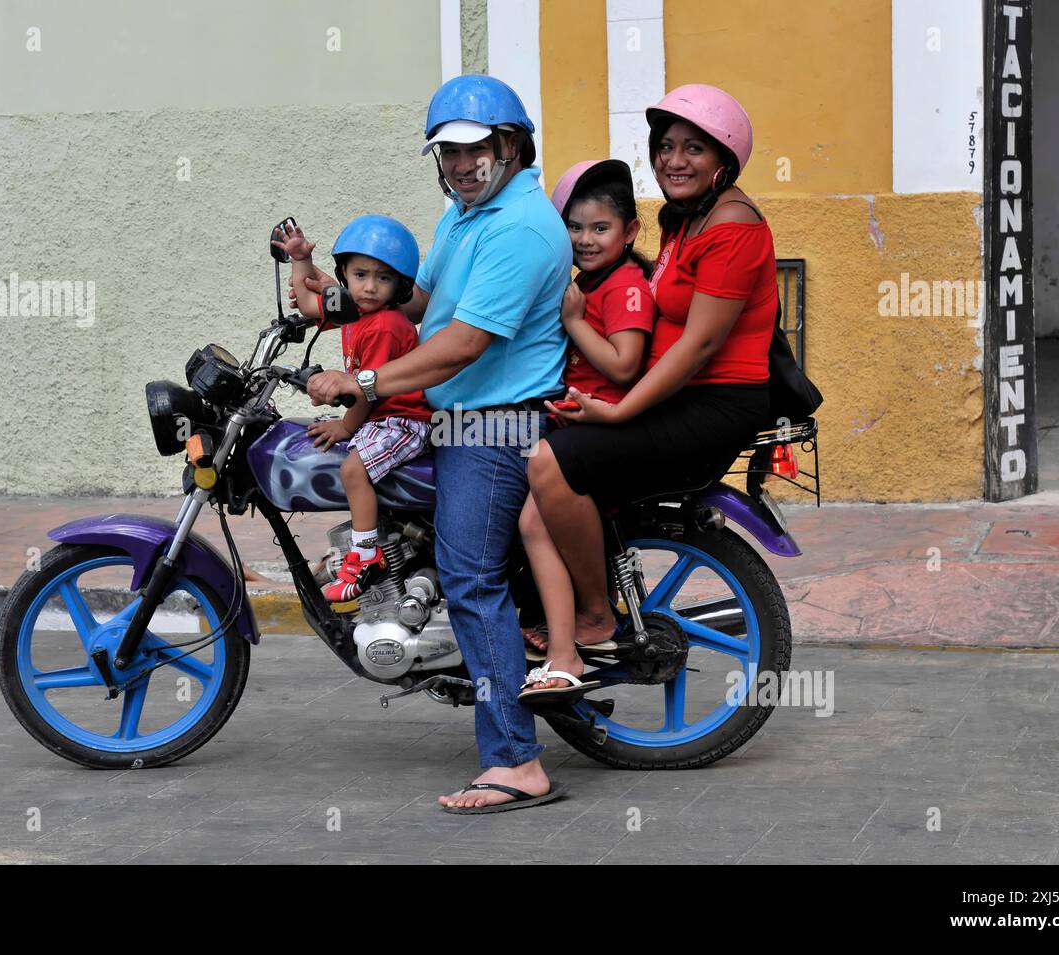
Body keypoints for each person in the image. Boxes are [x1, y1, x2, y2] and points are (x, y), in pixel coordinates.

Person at [305, 75, 573, 813]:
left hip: (493, 423)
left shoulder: (516, 228)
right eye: (447, 152)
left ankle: (518, 761)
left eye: (473, 149)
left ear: (510, 146)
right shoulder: (466, 214)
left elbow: (462, 343)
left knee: (471, 578)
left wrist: (363, 379)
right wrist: (351, 295)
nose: (459, 164)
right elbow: (433, 304)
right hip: (459, 417)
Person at [527, 84, 778, 673]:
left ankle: (595, 616)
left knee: (548, 460)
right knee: (538, 503)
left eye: (694, 148)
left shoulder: (732, 226)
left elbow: (702, 342)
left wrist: (618, 411)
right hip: (679, 399)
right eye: (665, 147)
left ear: (724, 159)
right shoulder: (685, 222)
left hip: (715, 405)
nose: (674, 160)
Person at [513, 159, 658, 703]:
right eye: (575, 227)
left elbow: (624, 365)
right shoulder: (587, 282)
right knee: (532, 523)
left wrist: (574, 321)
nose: (586, 239)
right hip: (573, 417)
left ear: (629, 232)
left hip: (608, 425)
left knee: (534, 518)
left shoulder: (624, 286)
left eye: (601, 228)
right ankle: (565, 642)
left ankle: (593, 620)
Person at [271, 214, 433, 602]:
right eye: (360, 275)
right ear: (344, 274)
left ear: (400, 285)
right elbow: (310, 302)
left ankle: (365, 556)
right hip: (377, 415)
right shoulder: (353, 311)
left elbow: (367, 392)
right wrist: (299, 259)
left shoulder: (386, 325)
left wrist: (346, 426)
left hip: (404, 419)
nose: (370, 287)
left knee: (352, 468)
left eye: (383, 278)